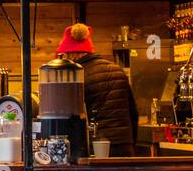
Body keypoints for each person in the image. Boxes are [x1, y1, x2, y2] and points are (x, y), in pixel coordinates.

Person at [57, 22, 138, 156]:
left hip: (98, 148)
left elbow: (71, 118)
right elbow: (133, 112)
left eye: (65, 55)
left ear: (72, 54)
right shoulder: (117, 69)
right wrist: (129, 142)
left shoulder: (77, 75)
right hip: (124, 146)